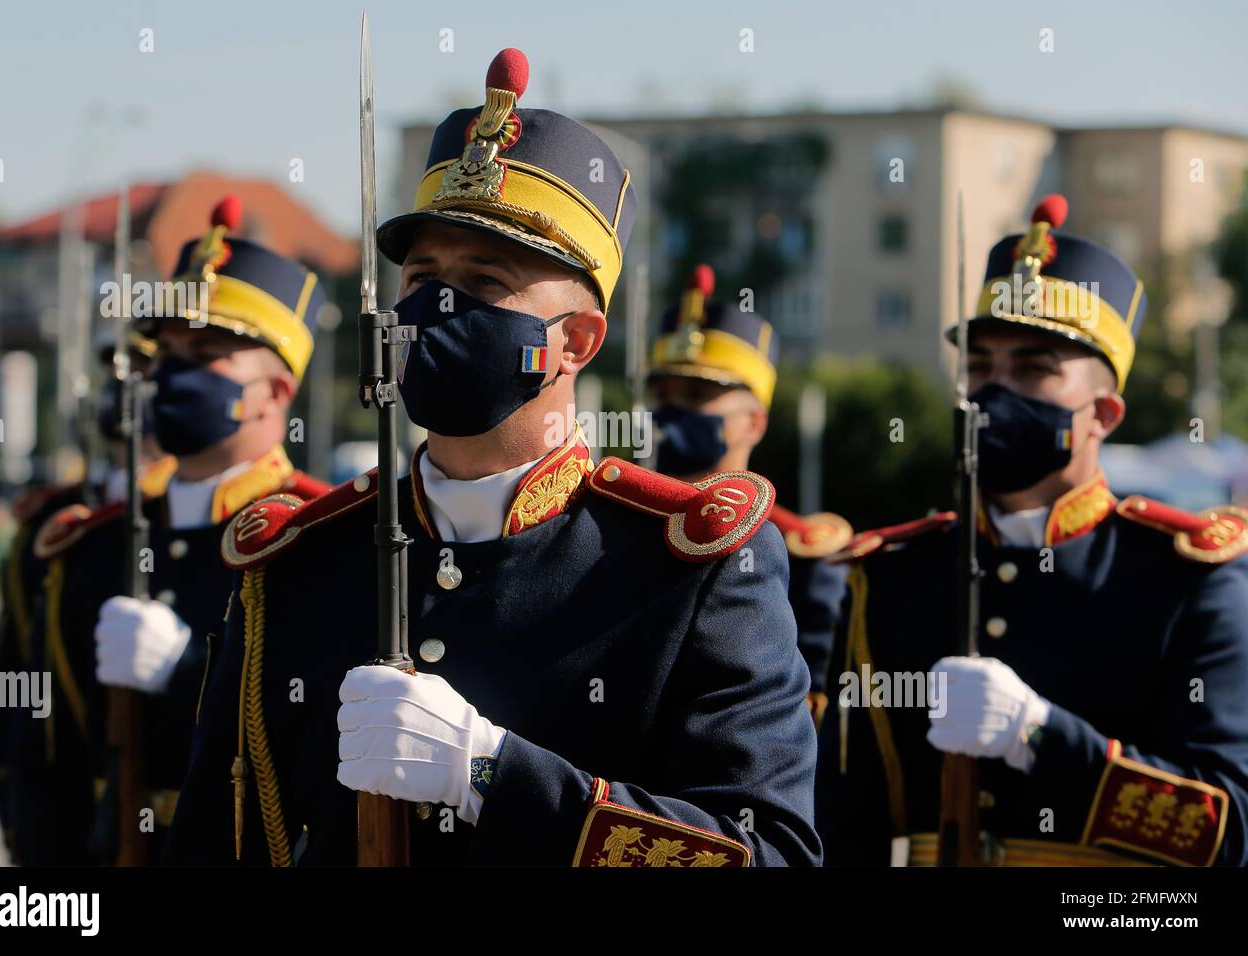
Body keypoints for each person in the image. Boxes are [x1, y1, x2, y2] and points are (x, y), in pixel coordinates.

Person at [167, 48, 820, 867]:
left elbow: (770, 854)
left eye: (484, 280)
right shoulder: (299, 562)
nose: (437, 304)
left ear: (576, 340)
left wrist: (491, 774)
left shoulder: (691, 565)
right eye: (422, 275)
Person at [816, 195, 1248, 867]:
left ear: (1102, 413)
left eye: (1033, 367)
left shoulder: (1189, 579)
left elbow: (1228, 831)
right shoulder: (893, 573)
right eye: (979, 366)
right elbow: (843, 820)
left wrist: (1039, 737)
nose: (994, 390)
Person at [7, 197, 331, 864]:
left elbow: (324, 751)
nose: (175, 371)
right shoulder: (92, 547)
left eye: (208, 351)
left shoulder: (319, 543)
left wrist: (189, 675)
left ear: (275, 392)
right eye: (168, 352)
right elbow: (50, 769)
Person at [0, 331, 171, 860]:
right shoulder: (50, 521)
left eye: (147, 375)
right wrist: (25, 830)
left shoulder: (198, 521)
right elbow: (9, 686)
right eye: (117, 377)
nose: (126, 392)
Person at [647, 263, 850, 723]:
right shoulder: (606, 527)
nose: (672, 412)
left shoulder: (811, 557)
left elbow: (803, 723)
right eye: (663, 397)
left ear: (755, 422)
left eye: (698, 396)